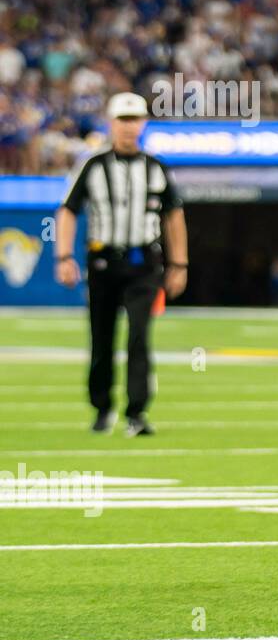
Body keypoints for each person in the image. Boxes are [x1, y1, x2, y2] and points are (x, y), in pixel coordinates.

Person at [54, 92, 187, 436]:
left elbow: (174, 216)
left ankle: (137, 412)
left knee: (139, 337)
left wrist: (179, 264)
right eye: (123, 121)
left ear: (143, 124)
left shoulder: (155, 168)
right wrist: (64, 256)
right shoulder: (93, 165)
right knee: (102, 338)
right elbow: (68, 210)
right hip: (103, 262)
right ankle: (102, 408)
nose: (129, 128)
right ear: (112, 124)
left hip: (144, 263)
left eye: (135, 120)